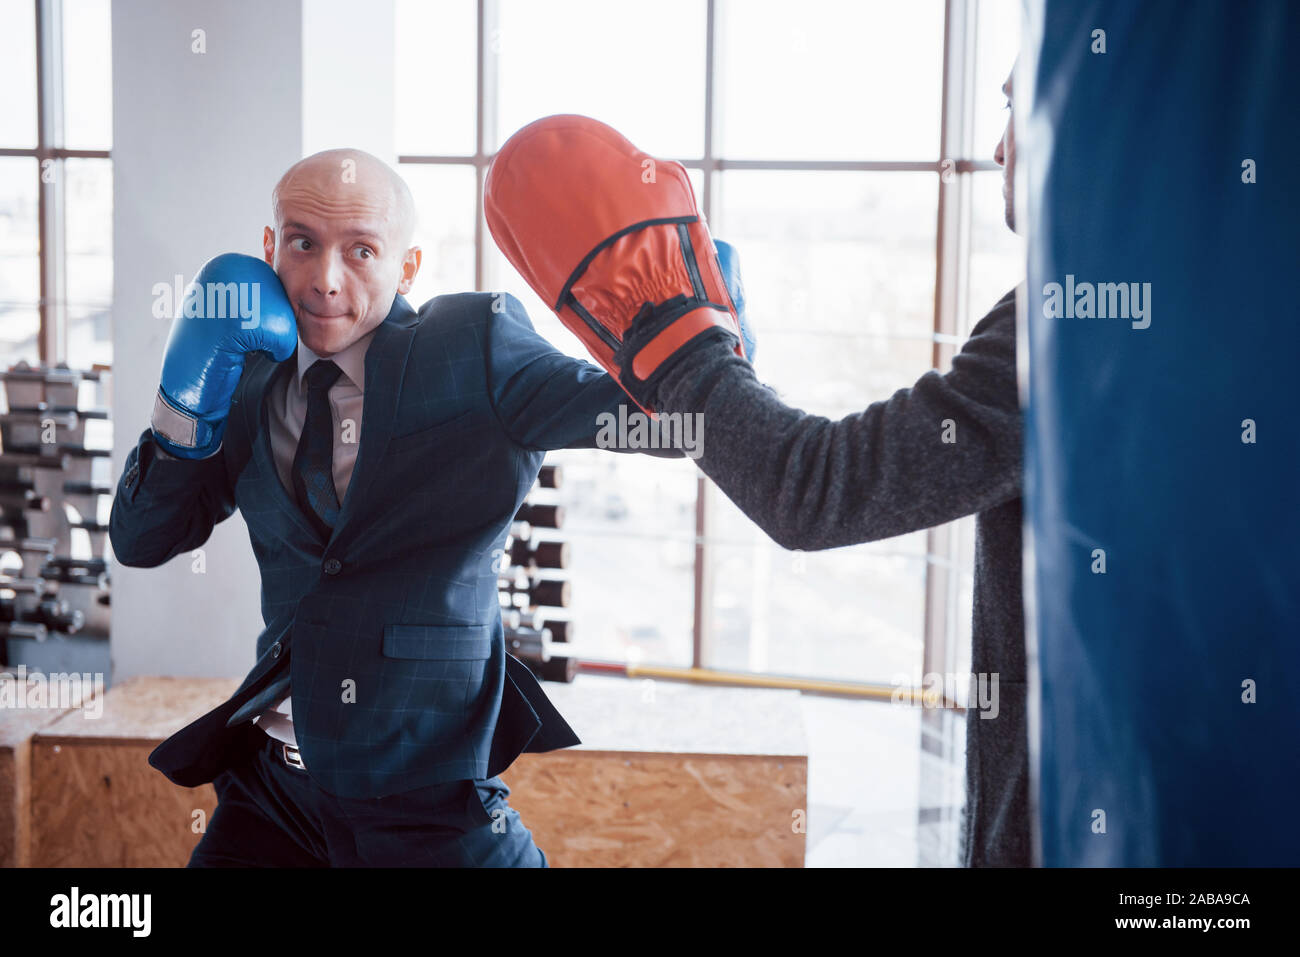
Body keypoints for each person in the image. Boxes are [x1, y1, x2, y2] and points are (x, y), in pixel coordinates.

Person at [485, 71, 1029, 866]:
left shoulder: (1071, 327)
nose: (996, 146)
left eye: (1016, 105)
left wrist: (674, 330)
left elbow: (815, 490)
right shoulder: (1183, 294)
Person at [109, 148, 683, 867]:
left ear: (407, 267)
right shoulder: (248, 376)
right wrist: (181, 410)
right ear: (268, 246)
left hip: (424, 794)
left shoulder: (472, 350)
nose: (324, 278)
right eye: (303, 243)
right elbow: (142, 539)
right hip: (273, 790)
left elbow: (660, 425)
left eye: (361, 251)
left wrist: (692, 334)